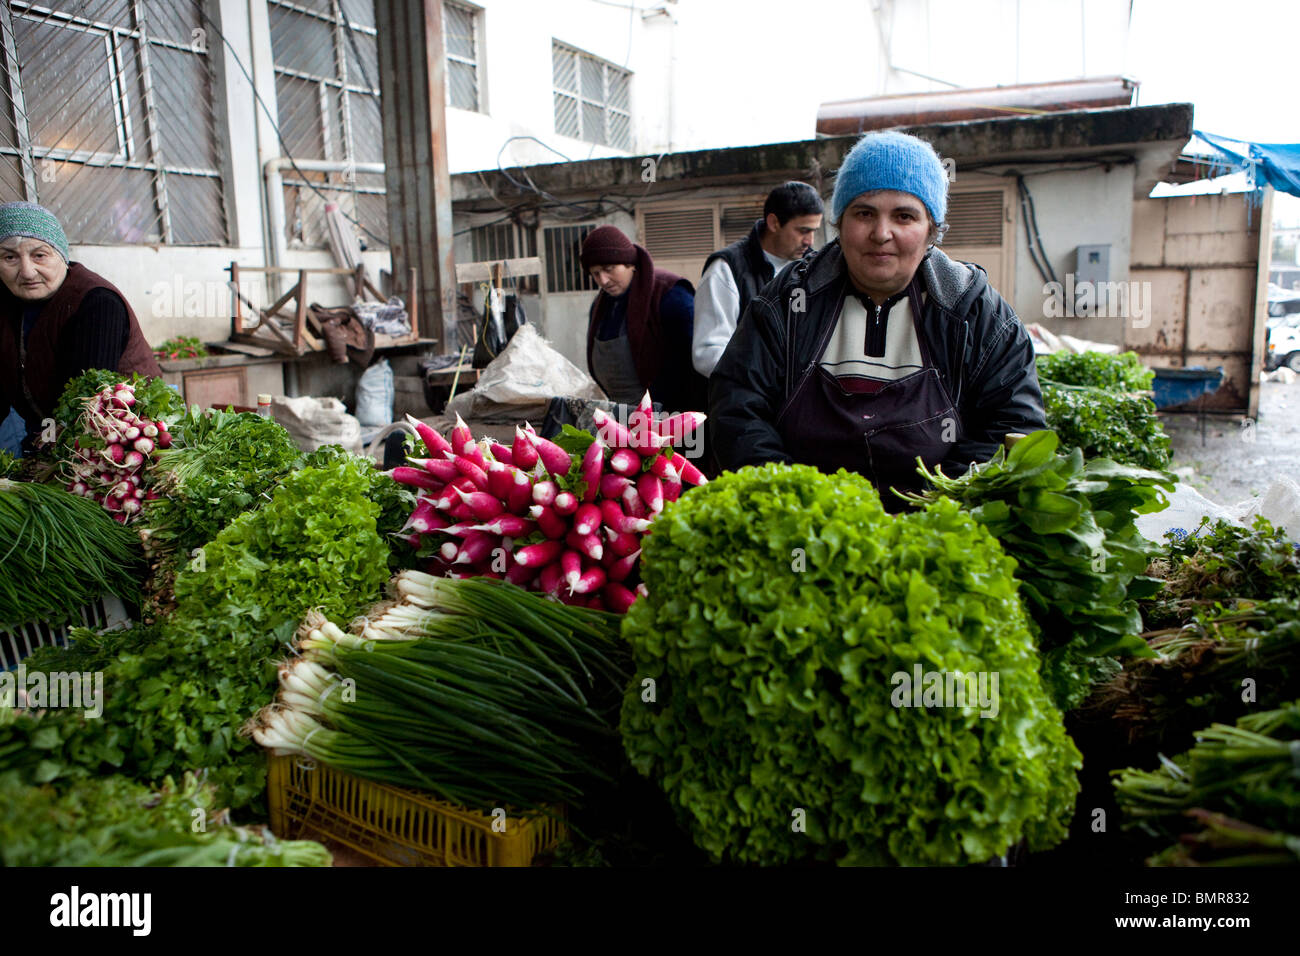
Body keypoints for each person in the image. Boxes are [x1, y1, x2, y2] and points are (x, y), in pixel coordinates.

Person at [708, 130, 1046, 507]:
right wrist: (801, 507)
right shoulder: (787, 302)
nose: (881, 234)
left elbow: (1014, 427)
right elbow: (737, 411)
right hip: (807, 533)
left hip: (936, 531)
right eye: (864, 213)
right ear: (839, 222)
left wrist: (937, 508)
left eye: (904, 216)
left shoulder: (975, 311)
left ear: (932, 228)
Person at [0, 202, 162, 450]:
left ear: (62, 256)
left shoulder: (96, 303)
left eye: (39, 255)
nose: (28, 272)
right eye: (9, 257)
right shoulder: (8, 301)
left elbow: (87, 400)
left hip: (118, 442)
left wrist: (50, 449)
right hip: (47, 435)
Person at [692, 181, 823, 378]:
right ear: (774, 223)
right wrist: (766, 379)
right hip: (746, 402)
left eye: (814, 231)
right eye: (803, 230)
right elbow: (708, 353)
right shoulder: (727, 269)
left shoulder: (815, 267)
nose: (810, 241)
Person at [582, 224, 706, 413]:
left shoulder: (669, 294)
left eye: (609, 269)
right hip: (621, 414)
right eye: (596, 274)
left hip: (672, 416)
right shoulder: (602, 305)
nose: (603, 280)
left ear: (630, 264)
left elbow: (697, 361)